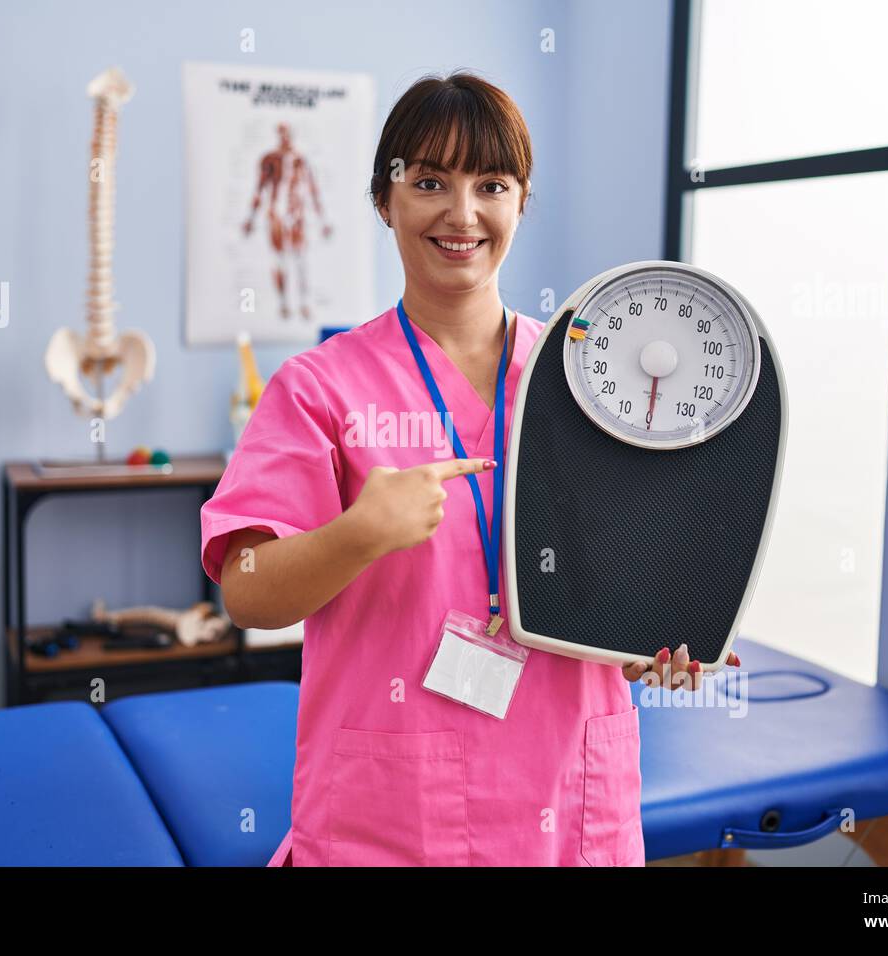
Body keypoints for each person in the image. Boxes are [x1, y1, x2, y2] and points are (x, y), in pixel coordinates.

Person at [201, 70, 737, 867]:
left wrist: (652, 639)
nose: (462, 213)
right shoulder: (320, 388)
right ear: (384, 202)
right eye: (427, 182)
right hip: (389, 809)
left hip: (570, 791)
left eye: (492, 183)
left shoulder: (595, 375)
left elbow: (628, 577)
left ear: (523, 201)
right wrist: (358, 534)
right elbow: (246, 589)